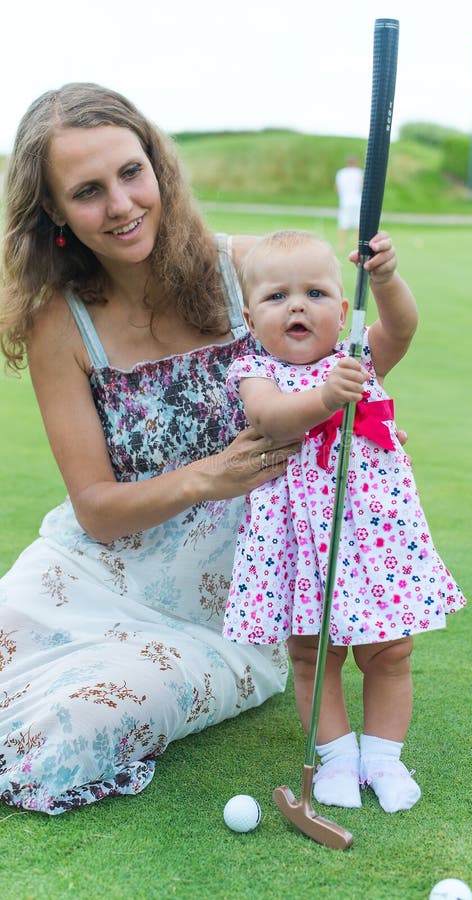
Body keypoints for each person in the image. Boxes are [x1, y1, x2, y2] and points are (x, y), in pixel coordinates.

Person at [0, 82, 307, 815]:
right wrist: (208, 477)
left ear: (158, 166)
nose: (121, 204)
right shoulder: (59, 325)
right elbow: (98, 513)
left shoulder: (250, 273)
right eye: (87, 191)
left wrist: (382, 290)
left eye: (131, 173)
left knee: (84, 724)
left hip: (224, 617)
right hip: (83, 576)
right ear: (54, 212)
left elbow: (363, 361)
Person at [222, 230, 467, 813]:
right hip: (300, 542)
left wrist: (383, 280)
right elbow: (274, 418)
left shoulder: (357, 357)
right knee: (312, 653)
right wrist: (329, 397)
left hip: (372, 538)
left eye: (314, 292)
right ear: (252, 322)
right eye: (277, 297)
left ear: (341, 310)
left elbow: (403, 328)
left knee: (389, 651)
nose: (298, 305)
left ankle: (383, 756)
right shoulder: (255, 370)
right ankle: (334, 757)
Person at [334, 156, 363, 250]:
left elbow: (337, 188)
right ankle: (358, 245)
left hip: (345, 201)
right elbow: (362, 185)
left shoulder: (341, 173)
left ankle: (341, 245)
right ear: (355, 163)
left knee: (343, 223)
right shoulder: (359, 172)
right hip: (357, 201)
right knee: (358, 224)